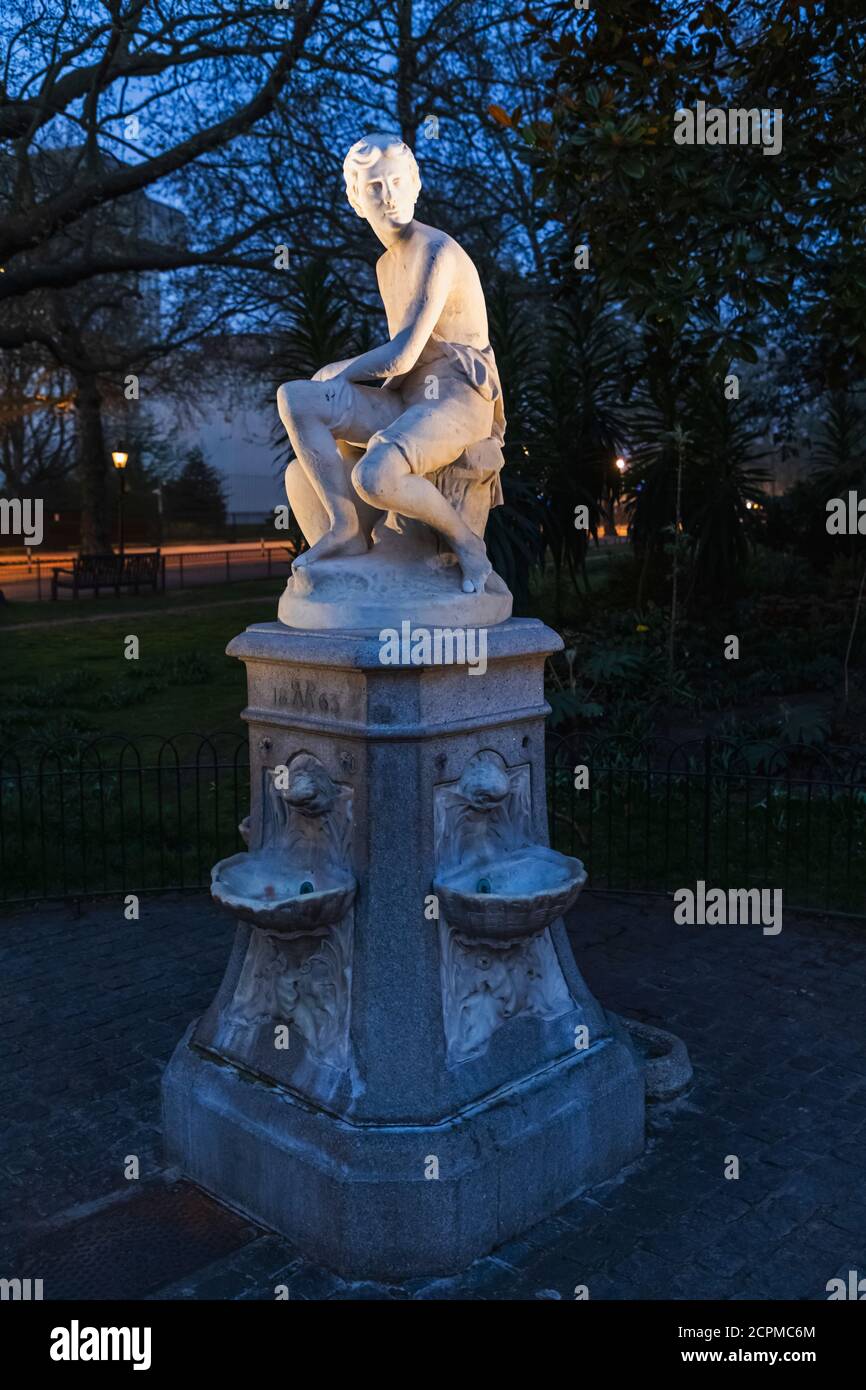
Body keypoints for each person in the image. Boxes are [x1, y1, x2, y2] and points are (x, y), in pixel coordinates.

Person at [277, 132, 505, 595]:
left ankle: (467, 545)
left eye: (399, 182)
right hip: (408, 395)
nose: (391, 196)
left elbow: (403, 350)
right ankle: (344, 528)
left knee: (375, 475)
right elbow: (403, 367)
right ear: (356, 199)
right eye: (376, 187)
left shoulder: (438, 250)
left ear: (416, 184)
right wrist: (348, 398)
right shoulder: (386, 266)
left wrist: (338, 374)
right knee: (297, 398)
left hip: (459, 397)